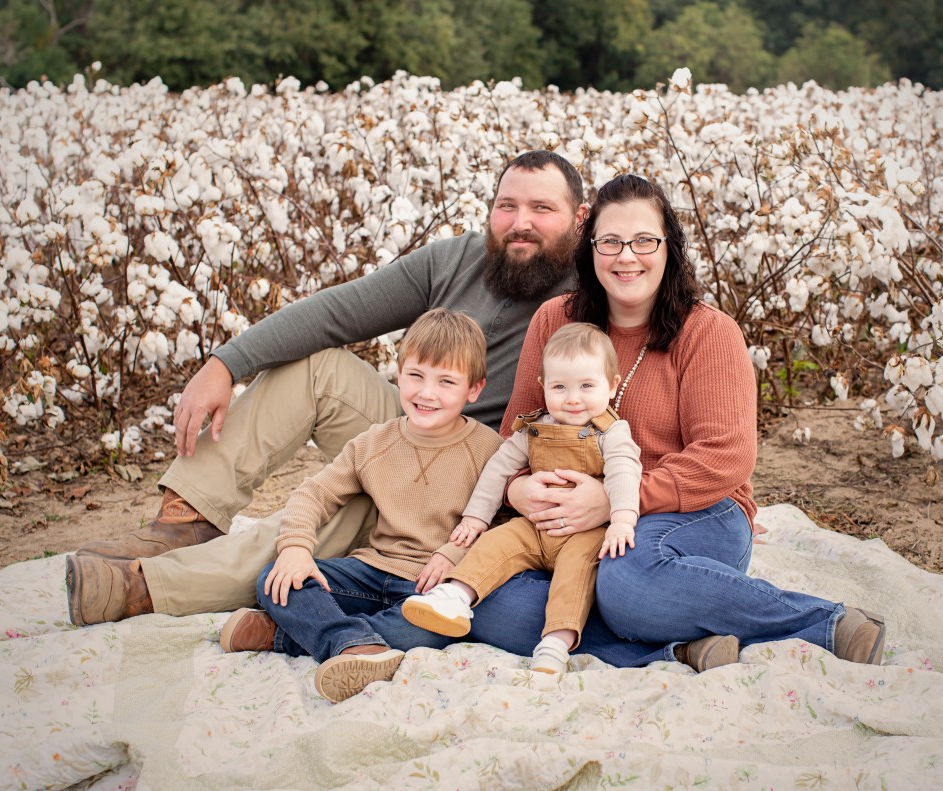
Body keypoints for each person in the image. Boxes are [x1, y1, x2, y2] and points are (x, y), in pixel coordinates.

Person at [64, 150, 588, 626]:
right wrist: (225, 363)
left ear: (580, 218)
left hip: (483, 473)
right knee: (319, 367)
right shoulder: (457, 259)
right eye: (506, 206)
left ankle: (147, 587)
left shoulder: (594, 287)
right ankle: (185, 521)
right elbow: (338, 311)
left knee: (353, 506)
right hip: (418, 422)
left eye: (542, 208)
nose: (520, 223)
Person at [464, 174, 887, 668]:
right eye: (610, 241)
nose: (627, 256)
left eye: (644, 240)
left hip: (696, 512)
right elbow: (518, 431)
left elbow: (724, 457)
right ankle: (684, 648)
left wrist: (614, 500)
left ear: (669, 247)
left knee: (627, 582)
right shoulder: (556, 320)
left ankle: (825, 623)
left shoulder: (708, 332)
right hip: (571, 523)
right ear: (590, 249)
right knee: (488, 600)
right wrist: (518, 489)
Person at [216, 309, 503, 704]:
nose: (426, 393)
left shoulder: (488, 450)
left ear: (474, 389)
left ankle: (286, 636)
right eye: (416, 376)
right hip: (369, 572)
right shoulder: (374, 443)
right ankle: (356, 643)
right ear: (398, 374)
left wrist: (454, 554)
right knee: (274, 578)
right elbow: (313, 493)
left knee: (430, 630)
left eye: (446, 382)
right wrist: (296, 548)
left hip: (432, 588)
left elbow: (504, 525)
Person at [400, 322, 643, 676]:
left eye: (586, 386)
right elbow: (499, 467)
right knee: (495, 543)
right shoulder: (535, 428)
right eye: (559, 387)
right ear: (543, 386)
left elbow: (624, 470)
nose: (572, 398)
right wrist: (476, 517)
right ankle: (456, 595)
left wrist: (622, 519)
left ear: (612, 385)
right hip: (534, 525)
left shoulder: (611, 432)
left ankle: (555, 643)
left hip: (584, 532)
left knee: (575, 576)